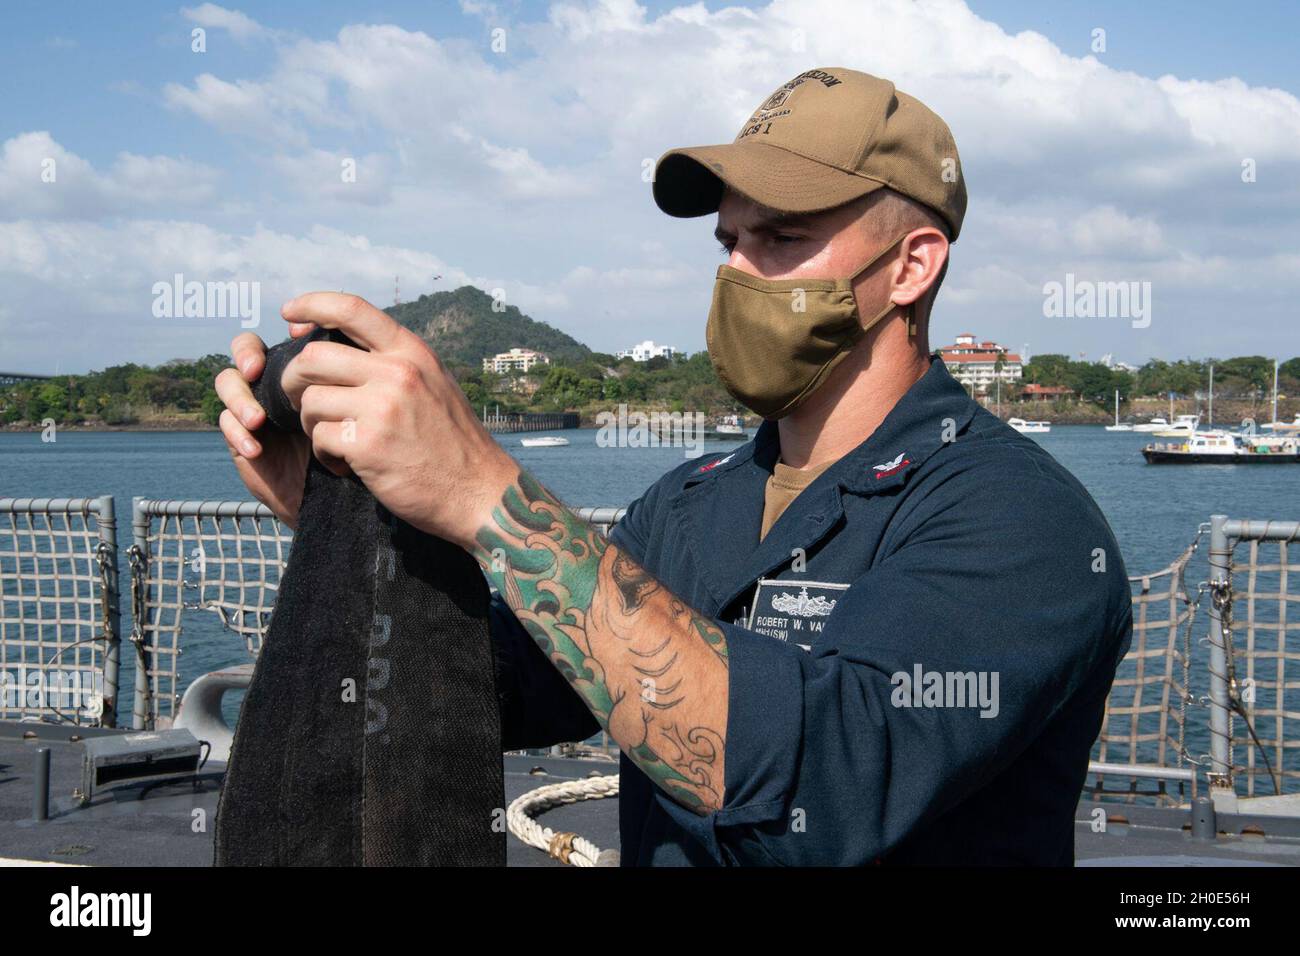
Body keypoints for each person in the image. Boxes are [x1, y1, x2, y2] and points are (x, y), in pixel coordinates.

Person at [215, 67, 1132, 866]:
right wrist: (356, 524)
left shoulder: (1020, 520)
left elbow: (822, 796)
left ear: (910, 267)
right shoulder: (696, 502)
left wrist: (484, 493)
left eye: (780, 239)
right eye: (730, 244)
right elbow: (505, 687)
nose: (738, 275)